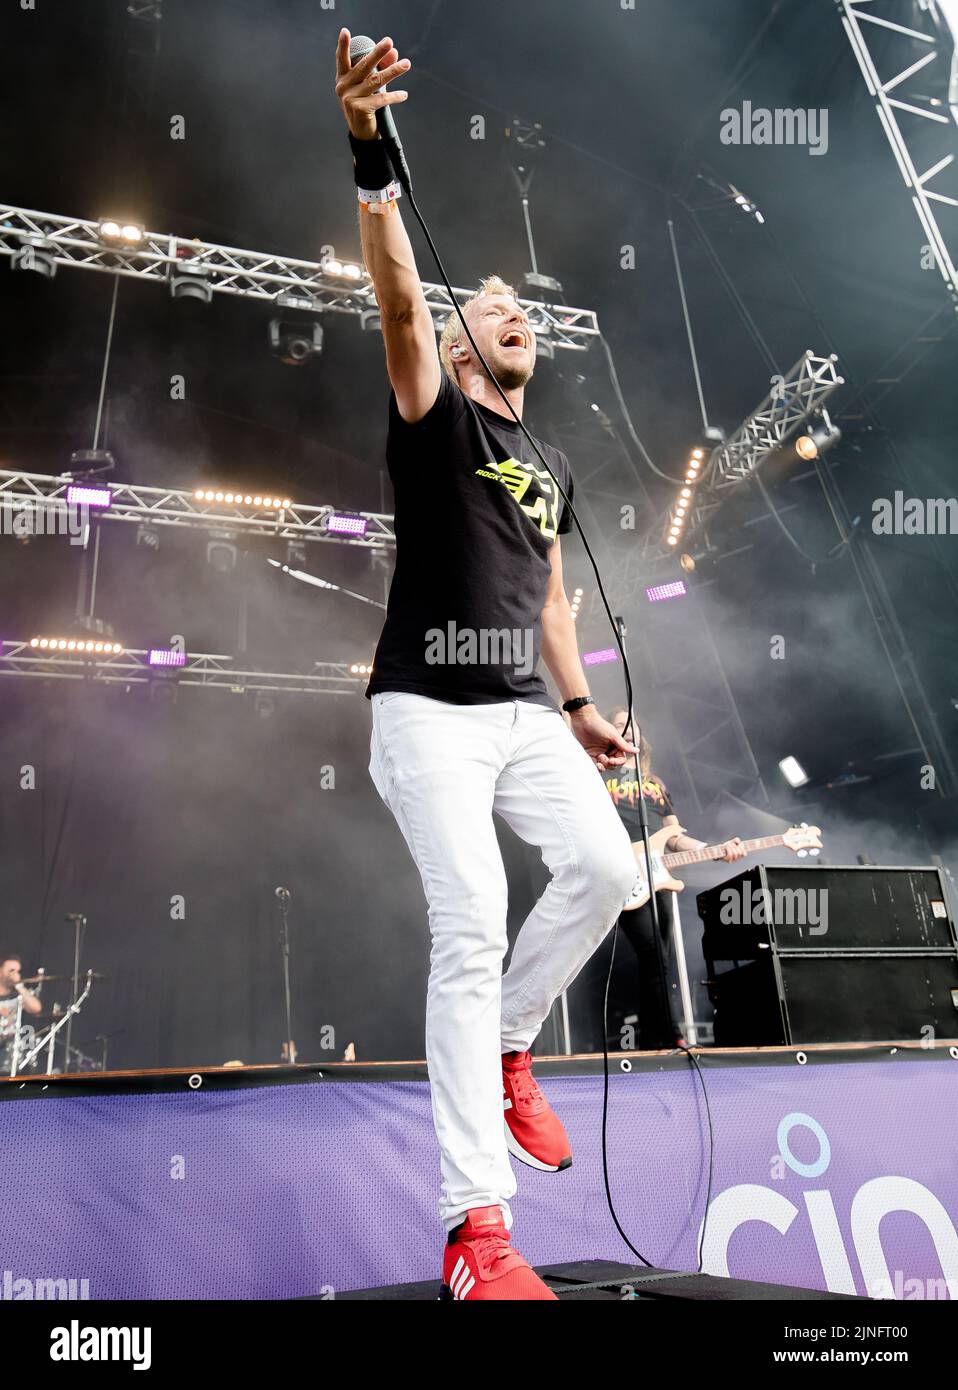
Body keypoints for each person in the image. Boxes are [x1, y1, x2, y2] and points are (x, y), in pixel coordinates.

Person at [336, 30, 639, 1300]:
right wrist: (370, 154)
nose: (515, 311)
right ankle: (476, 1228)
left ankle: (514, 1046)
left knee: (613, 873)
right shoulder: (432, 407)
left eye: (526, 308)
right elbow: (402, 296)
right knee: (469, 922)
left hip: (521, 713)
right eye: (495, 303)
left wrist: (579, 709)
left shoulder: (554, 461)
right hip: (427, 712)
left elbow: (554, 596)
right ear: (462, 344)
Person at [603, 710, 745, 1049]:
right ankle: (668, 1036)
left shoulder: (655, 781)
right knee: (652, 952)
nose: (628, 727)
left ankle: (657, 1039)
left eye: (633, 723)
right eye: (619, 723)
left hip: (659, 875)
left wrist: (713, 849)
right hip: (623, 870)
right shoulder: (594, 775)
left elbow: (674, 835)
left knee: (660, 958)